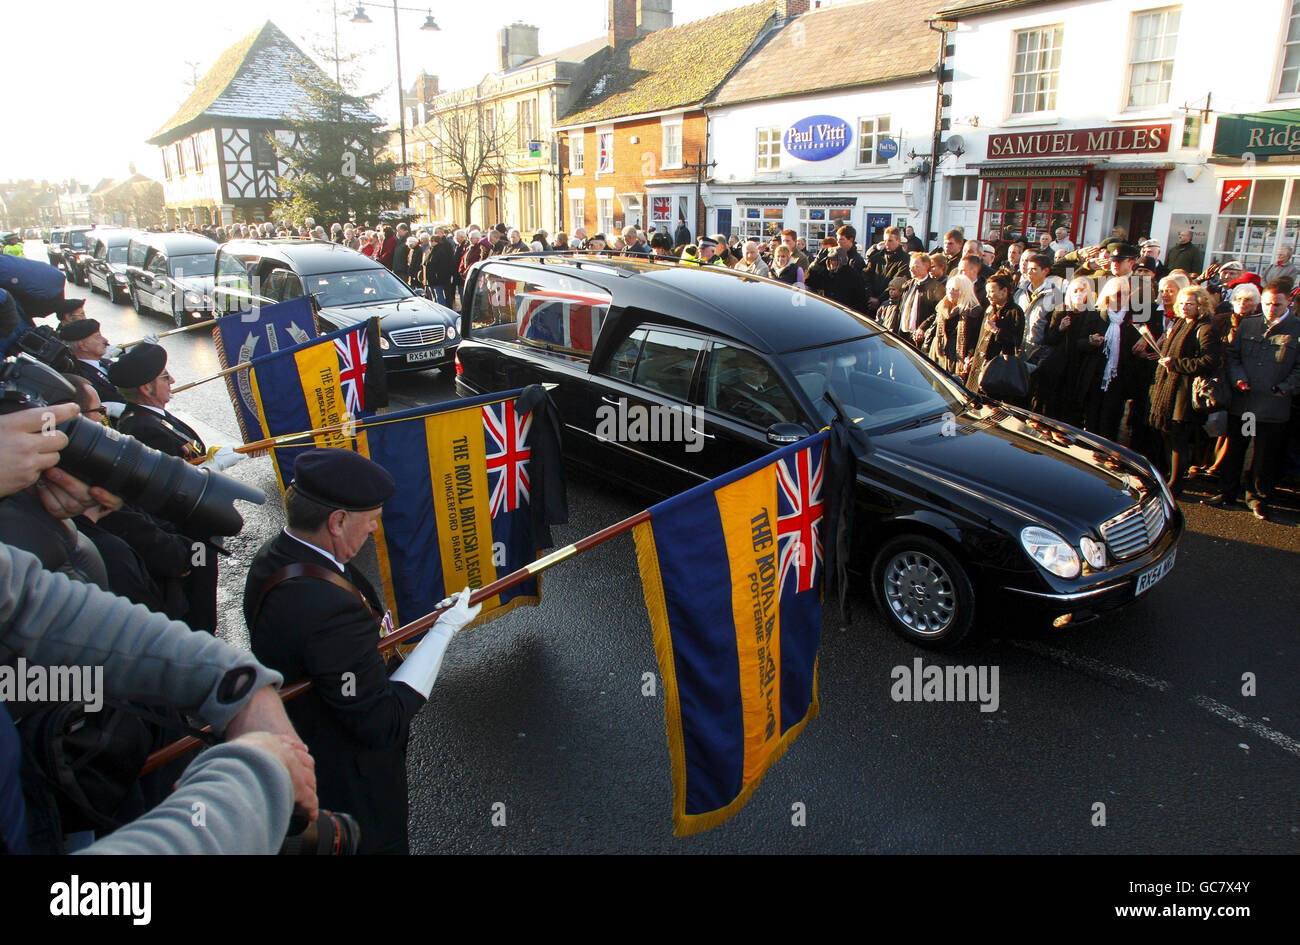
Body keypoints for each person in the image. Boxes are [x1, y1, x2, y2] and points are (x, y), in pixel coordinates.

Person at [245, 449, 480, 854]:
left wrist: (427, 626)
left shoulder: (278, 557)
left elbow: (353, 644)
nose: (374, 529)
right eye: (370, 519)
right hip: (347, 784)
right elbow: (383, 720)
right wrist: (443, 633)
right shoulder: (324, 605)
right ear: (337, 521)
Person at [109, 343, 239, 632]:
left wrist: (207, 460)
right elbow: (167, 489)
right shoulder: (141, 429)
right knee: (196, 614)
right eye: (165, 377)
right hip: (182, 539)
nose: (172, 382)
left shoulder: (155, 418)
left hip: (194, 534)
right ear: (146, 388)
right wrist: (211, 468)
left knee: (204, 604)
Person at [1206, 281, 1300, 520]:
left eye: (1277, 305)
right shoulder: (1249, 325)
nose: (1271, 309)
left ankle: (1257, 498)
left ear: (1288, 302)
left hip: (1273, 406)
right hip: (1246, 405)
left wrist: (1285, 387)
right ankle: (1227, 492)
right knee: (1238, 447)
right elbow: (1233, 356)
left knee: (1264, 455)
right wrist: (1239, 379)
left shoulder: (1296, 329)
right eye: (1267, 304)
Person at [1149, 285, 1222, 496]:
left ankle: (1176, 484)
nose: (1185, 307)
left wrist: (1176, 364)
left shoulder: (1206, 328)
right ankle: (1169, 477)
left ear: (1201, 305)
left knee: (1179, 440)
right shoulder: (1179, 324)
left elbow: (1210, 360)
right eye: (1182, 303)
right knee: (1167, 436)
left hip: (1185, 392)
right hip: (1167, 389)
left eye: (1190, 303)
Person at [966, 271, 1025, 400]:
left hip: (997, 369)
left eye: (992, 292)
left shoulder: (1014, 311)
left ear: (1004, 291)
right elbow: (979, 335)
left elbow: (1016, 341)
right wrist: (971, 355)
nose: (988, 296)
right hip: (980, 363)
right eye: (987, 292)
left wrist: (997, 331)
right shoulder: (990, 309)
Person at [921, 274, 983, 378]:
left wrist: (970, 355)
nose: (950, 292)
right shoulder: (942, 306)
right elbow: (934, 326)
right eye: (949, 288)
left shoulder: (974, 311)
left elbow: (975, 337)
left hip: (958, 358)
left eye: (955, 289)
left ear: (965, 291)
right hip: (938, 353)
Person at [57, 318, 123, 406]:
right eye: (97, 337)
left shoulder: (104, 362)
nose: (105, 340)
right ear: (83, 346)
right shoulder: (81, 376)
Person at [897, 252, 943, 344]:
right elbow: (900, 308)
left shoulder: (936, 287)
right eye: (910, 267)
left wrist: (923, 327)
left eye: (916, 266)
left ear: (926, 266)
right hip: (903, 333)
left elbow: (937, 312)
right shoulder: (907, 285)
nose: (911, 269)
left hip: (920, 336)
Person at [863, 226, 909, 304]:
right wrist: (870, 296)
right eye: (885, 240)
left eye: (890, 241)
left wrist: (879, 300)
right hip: (871, 301)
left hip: (891, 303)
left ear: (898, 240)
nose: (887, 244)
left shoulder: (905, 259)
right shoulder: (876, 258)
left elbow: (897, 282)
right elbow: (866, 277)